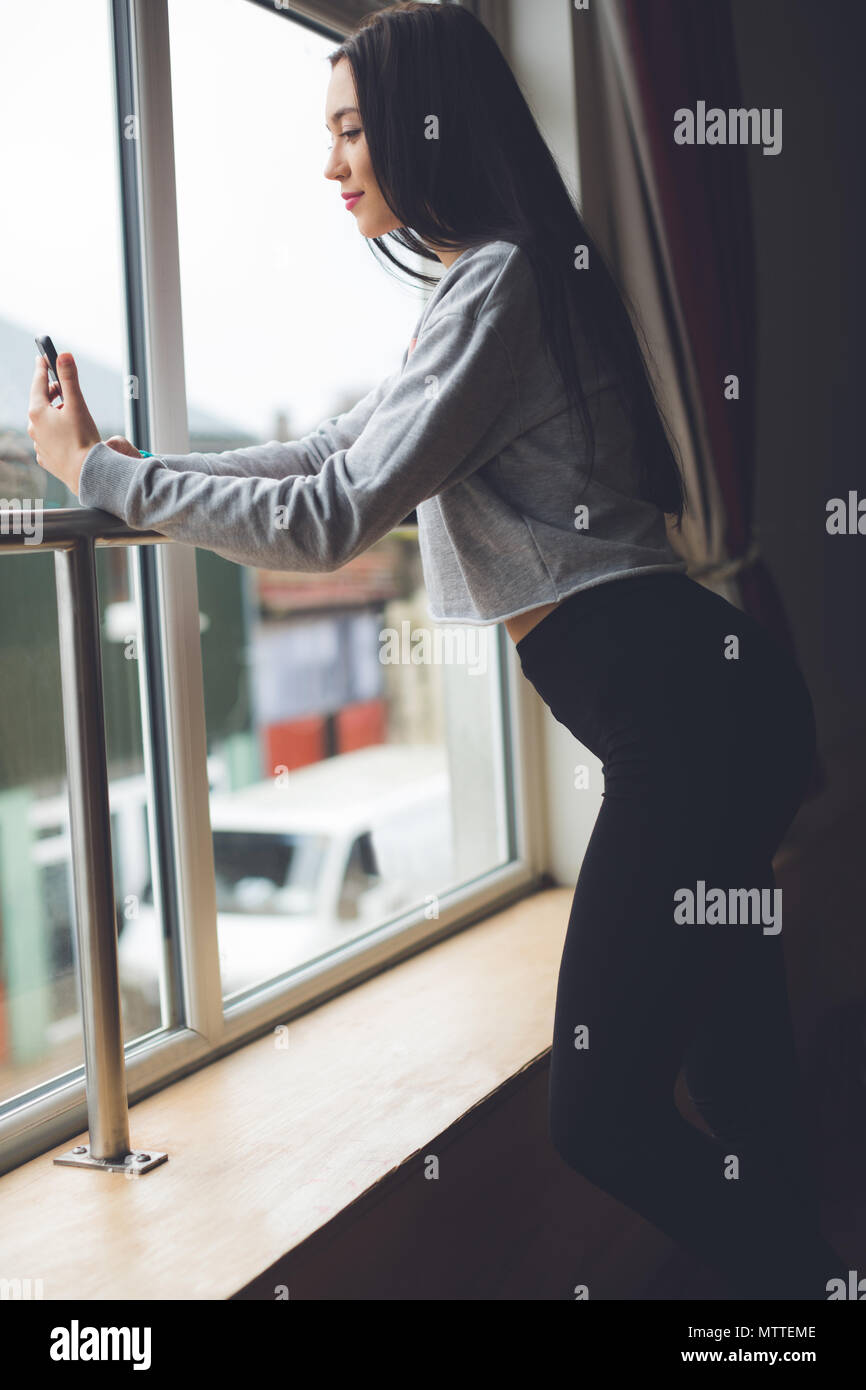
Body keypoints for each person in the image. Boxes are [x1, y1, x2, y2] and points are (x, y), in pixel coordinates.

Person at [28, 2, 843, 1299]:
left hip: (683, 715)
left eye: (350, 129)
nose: (331, 161)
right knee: (734, 1086)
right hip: (702, 703)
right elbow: (320, 458)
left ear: (421, 126)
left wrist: (113, 478)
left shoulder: (502, 280)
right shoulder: (488, 287)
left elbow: (327, 514)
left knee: (601, 1110)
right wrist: (118, 468)